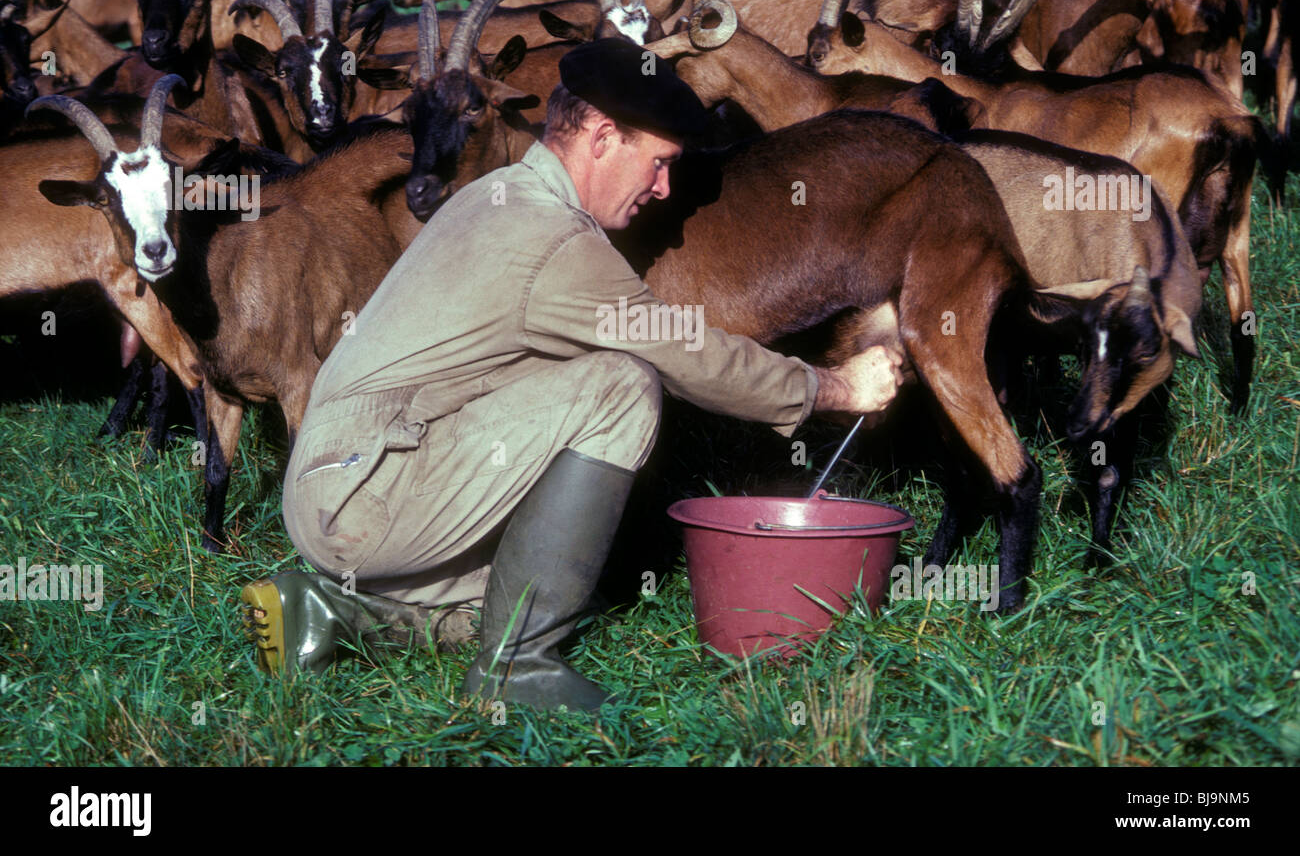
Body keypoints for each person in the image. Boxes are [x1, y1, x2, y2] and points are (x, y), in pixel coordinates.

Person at [241, 38, 903, 711]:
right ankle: (518, 669)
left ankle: (325, 609)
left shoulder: (493, 196)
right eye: (661, 163)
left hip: (344, 481)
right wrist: (837, 387)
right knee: (620, 385)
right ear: (604, 137)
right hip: (371, 491)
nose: (664, 187)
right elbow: (688, 354)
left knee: (521, 590)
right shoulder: (553, 239)